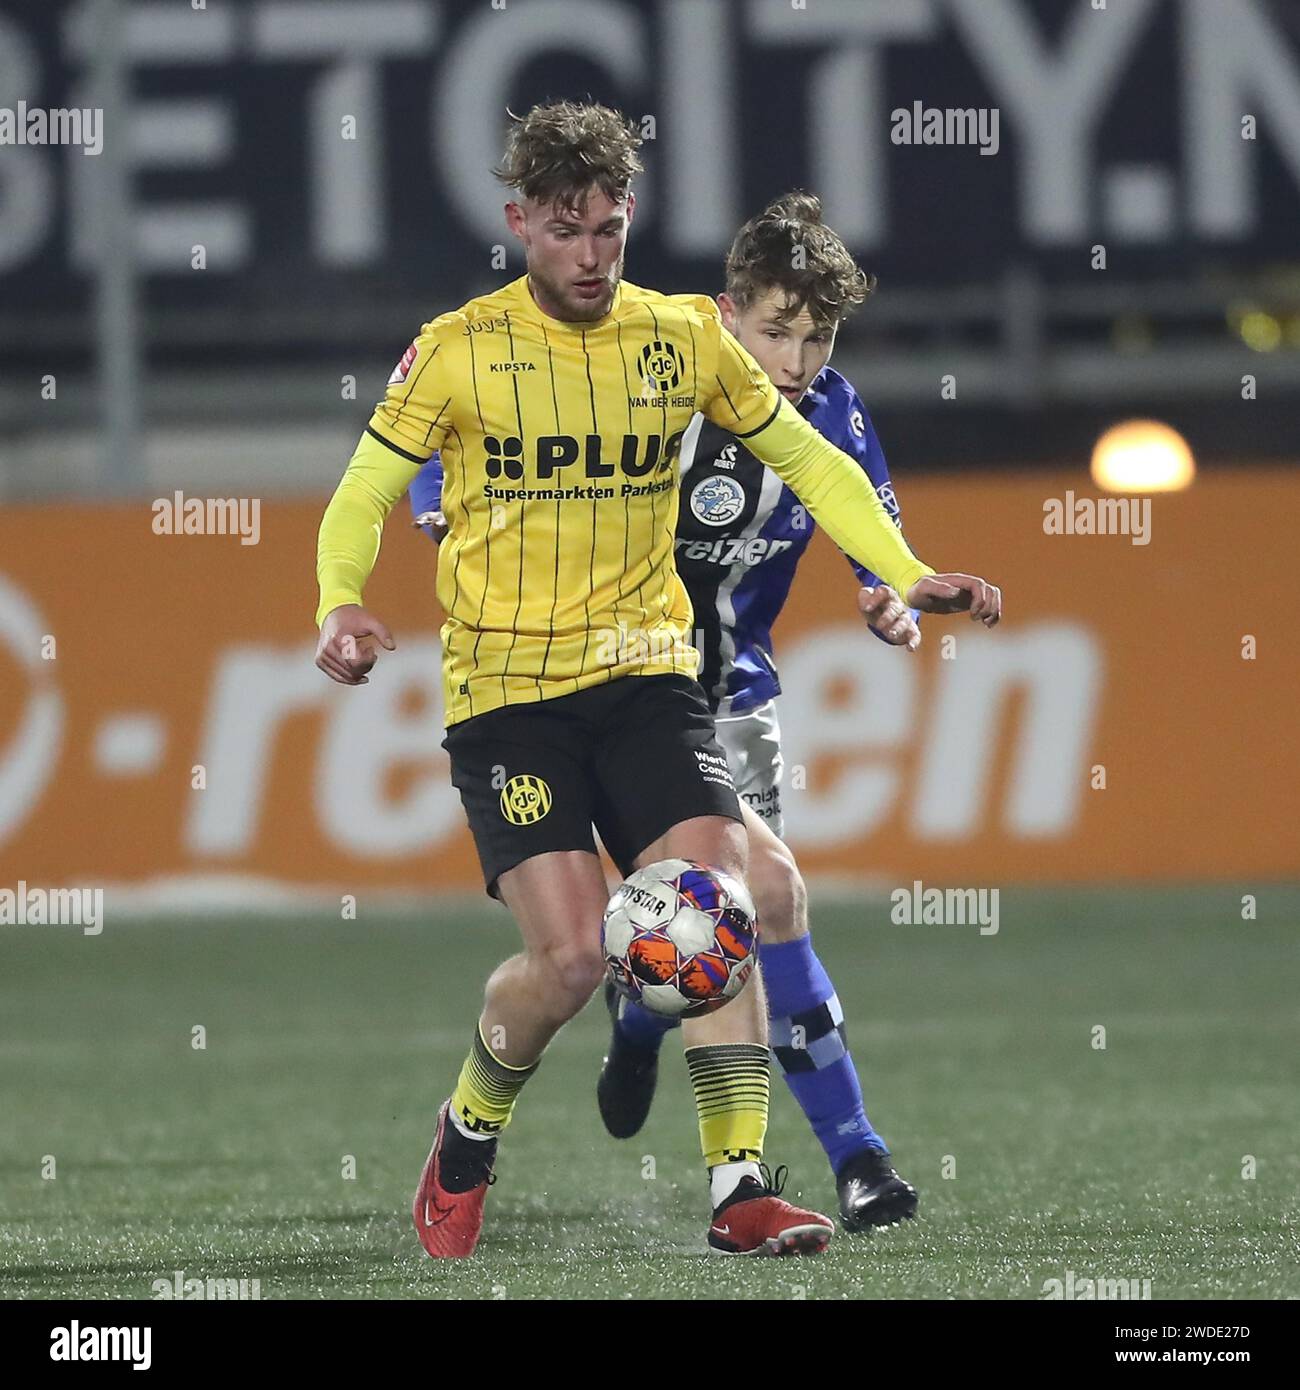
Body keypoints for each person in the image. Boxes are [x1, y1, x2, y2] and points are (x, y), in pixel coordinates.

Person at [315, 101, 999, 1259]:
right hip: (509, 696)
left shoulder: (680, 335)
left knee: (714, 903)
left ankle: (740, 1184)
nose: (590, 255)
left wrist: (906, 569)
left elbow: (810, 459)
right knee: (574, 961)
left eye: (612, 231)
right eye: (567, 229)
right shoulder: (456, 348)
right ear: (518, 220)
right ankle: (468, 1127)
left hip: (646, 675)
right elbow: (361, 494)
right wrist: (339, 599)